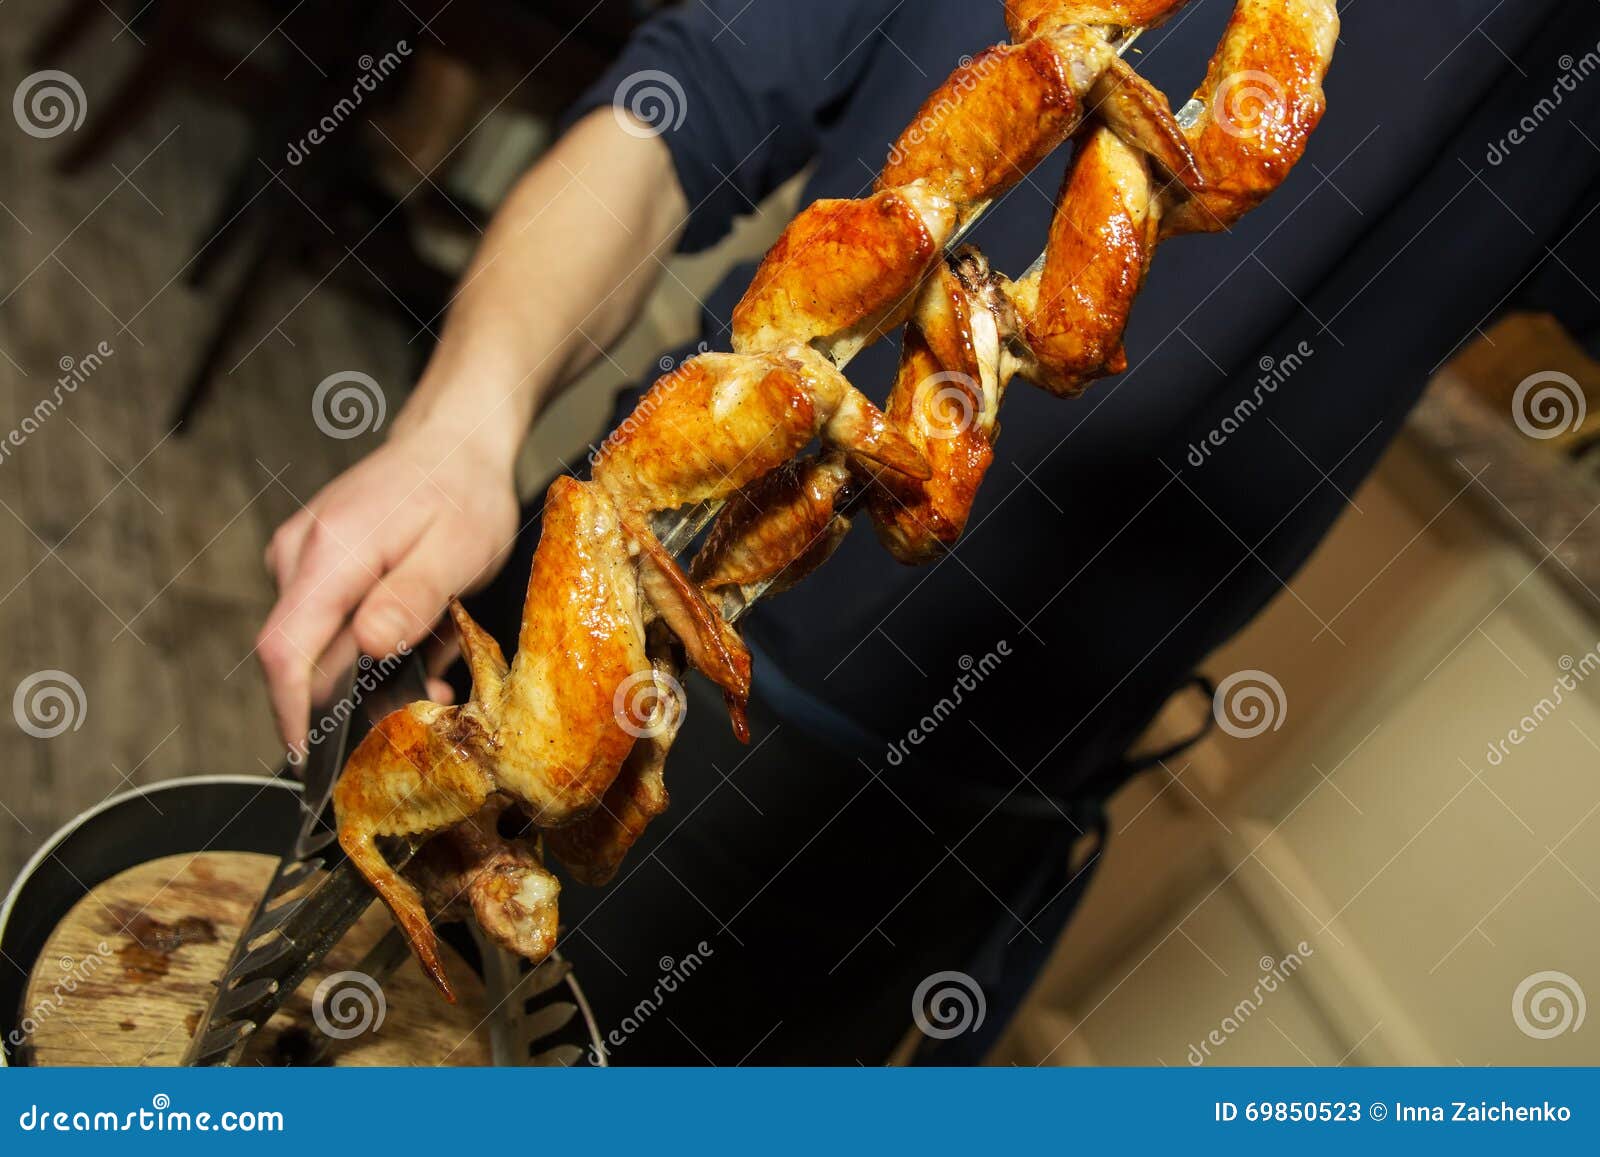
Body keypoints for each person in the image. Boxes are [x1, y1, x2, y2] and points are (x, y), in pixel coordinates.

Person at [256, 0, 1600, 1063]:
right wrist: (464, 418)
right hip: (616, 567)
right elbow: (695, 98)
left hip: (921, 836)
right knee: (285, 1028)